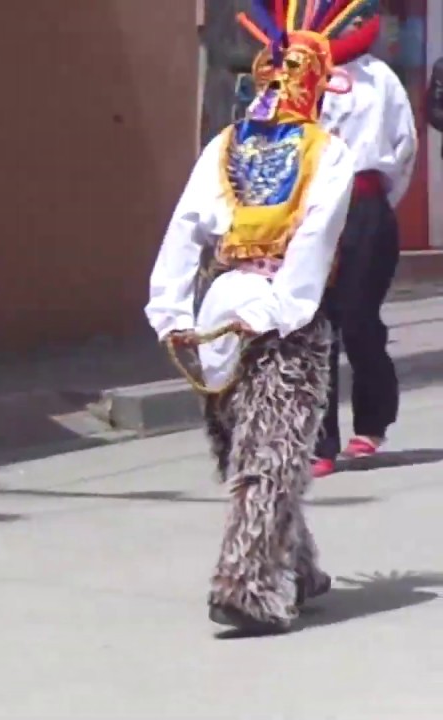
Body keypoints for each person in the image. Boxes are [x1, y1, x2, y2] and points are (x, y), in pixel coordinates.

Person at [146, 0, 368, 634]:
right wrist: (171, 312)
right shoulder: (239, 148)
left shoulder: (321, 153)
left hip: (265, 318)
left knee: (262, 455)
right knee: (256, 456)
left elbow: (311, 239)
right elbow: (189, 230)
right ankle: (271, 578)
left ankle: (266, 578)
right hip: (245, 314)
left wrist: (269, 310)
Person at [312, 3, 418, 476]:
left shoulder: (380, 79)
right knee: (315, 327)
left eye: (358, 16)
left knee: (357, 320)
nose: (352, 26)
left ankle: (372, 423)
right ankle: (319, 442)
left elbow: (404, 147)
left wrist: (373, 203)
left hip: (365, 205)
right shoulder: (304, 72)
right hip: (313, 211)